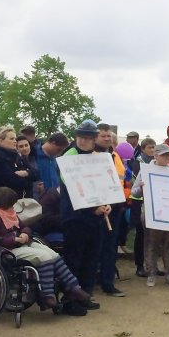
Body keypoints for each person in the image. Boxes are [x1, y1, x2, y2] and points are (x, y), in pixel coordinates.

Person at [0, 187, 91, 315]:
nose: (13, 209)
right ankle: (48, 295)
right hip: (5, 250)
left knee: (53, 254)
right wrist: (14, 239)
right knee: (44, 256)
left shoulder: (8, 212)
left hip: (20, 244)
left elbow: (25, 226)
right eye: (11, 205)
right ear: (4, 203)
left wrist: (24, 233)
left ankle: (73, 287)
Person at [58, 120, 110, 307]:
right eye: (80, 137)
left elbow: (104, 185)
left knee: (91, 258)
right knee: (74, 259)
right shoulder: (69, 156)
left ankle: (85, 295)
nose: (82, 141)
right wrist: (92, 208)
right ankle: (71, 298)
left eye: (87, 138)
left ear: (94, 139)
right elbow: (74, 188)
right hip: (75, 217)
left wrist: (106, 203)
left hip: (94, 218)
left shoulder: (98, 157)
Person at [131, 144, 169, 287]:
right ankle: (151, 273)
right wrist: (141, 187)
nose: (168, 157)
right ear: (156, 156)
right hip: (150, 214)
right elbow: (134, 192)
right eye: (164, 155)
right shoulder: (145, 171)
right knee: (151, 243)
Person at [95, 123, 127, 297]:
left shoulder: (115, 156)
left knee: (110, 247)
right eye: (103, 136)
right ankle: (91, 281)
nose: (107, 138)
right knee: (95, 246)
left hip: (114, 206)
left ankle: (108, 282)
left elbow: (120, 180)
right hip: (96, 208)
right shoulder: (91, 155)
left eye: (108, 136)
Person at [0, 126, 39, 199]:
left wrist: (26, 173)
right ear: (0, 141)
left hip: (23, 201)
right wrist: (29, 181)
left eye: (15, 138)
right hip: (5, 202)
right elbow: (12, 182)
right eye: (11, 139)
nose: (15, 141)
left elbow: (36, 174)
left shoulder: (17, 156)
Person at [129, 137, 156, 278]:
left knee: (153, 236)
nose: (152, 150)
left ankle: (151, 265)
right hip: (138, 202)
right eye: (150, 147)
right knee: (141, 235)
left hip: (152, 203)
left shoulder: (156, 163)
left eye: (154, 147)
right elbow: (136, 183)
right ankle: (139, 265)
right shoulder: (138, 163)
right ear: (143, 148)